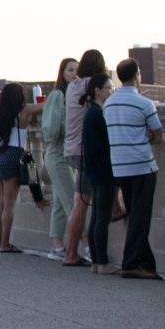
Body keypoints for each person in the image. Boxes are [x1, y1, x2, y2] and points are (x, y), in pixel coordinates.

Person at [106, 59, 164, 280]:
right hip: (141, 164)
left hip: (119, 166)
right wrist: (146, 135)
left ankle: (147, 264)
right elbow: (157, 135)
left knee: (135, 214)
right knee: (141, 217)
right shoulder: (145, 104)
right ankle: (130, 263)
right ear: (137, 74)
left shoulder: (110, 104)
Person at [61, 49, 107, 266]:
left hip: (71, 148)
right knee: (81, 202)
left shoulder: (72, 87)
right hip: (86, 150)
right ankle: (71, 253)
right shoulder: (95, 86)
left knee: (82, 199)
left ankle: (74, 251)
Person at [0, 83, 44, 253]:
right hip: (13, 154)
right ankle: (5, 244)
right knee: (9, 205)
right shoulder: (23, 110)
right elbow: (45, 105)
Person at [80, 73, 120, 273]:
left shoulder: (91, 112)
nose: (112, 91)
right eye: (109, 88)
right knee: (102, 216)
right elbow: (106, 142)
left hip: (95, 170)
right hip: (104, 170)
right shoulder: (97, 113)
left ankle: (96, 262)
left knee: (96, 216)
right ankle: (102, 262)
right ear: (98, 90)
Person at [41, 57, 79, 260]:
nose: (74, 74)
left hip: (68, 155)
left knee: (59, 201)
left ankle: (57, 246)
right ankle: (88, 245)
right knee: (72, 201)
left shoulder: (76, 96)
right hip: (57, 154)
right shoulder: (58, 95)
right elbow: (52, 130)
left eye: (77, 70)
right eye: (70, 70)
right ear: (62, 73)